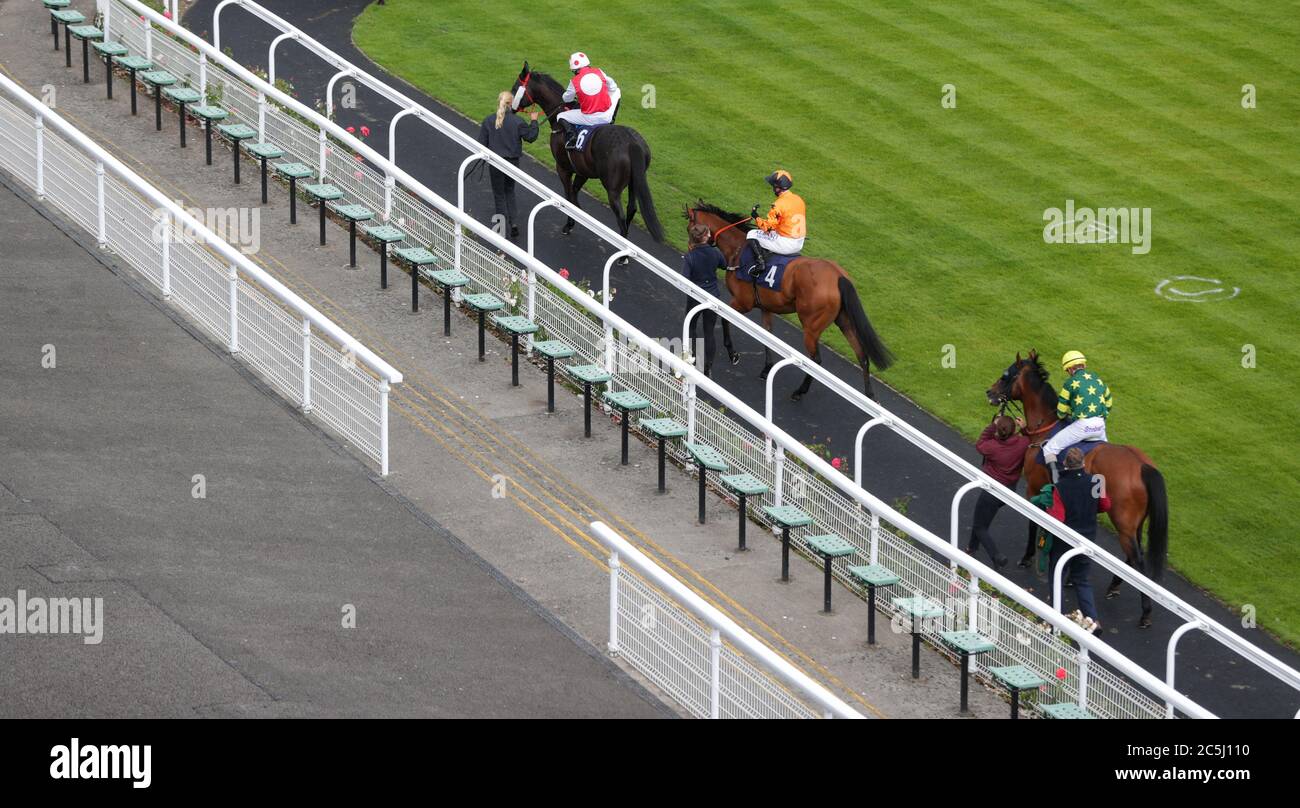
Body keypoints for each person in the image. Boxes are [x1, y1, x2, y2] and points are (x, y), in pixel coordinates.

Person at [1045, 447, 1109, 634]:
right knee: (1082, 580)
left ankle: (1056, 620)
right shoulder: (1096, 480)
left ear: (1065, 464)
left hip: (1064, 542)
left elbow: (1057, 519)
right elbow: (1105, 505)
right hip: (1087, 539)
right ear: (1083, 463)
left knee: (1056, 577)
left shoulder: (1060, 487)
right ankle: (1093, 620)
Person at [966, 414, 1029, 567]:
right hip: (1009, 491)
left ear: (998, 431)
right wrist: (1025, 429)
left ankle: (996, 556)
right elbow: (1030, 440)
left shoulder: (992, 447)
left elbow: (980, 444)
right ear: (1014, 430)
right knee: (982, 520)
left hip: (992, 492)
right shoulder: (1023, 443)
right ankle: (971, 548)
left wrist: (993, 425)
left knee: (980, 526)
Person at [1043, 350, 1112, 483]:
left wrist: (1062, 416)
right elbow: (1109, 400)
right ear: (1083, 365)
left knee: (1049, 448)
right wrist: (1103, 416)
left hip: (1082, 427)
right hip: (1100, 426)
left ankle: (1057, 484)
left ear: (1069, 369)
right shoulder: (1098, 379)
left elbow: (1061, 411)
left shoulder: (1069, 383)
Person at [478, 91, 540, 240]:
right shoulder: (517, 121)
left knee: (499, 195)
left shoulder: (488, 120)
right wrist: (534, 121)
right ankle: (513, 224)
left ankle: (500, 230)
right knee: (509, 192)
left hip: (495, 163)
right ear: (511, 103)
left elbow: (481, 144)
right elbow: (531, 137)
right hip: (512, 162)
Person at [681, 223, 729, 375]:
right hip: (712, 297)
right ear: (704, 236)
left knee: (691, 326)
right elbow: (724, 265)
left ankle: (692, 357)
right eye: (708, 234)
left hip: (695, 297)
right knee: (709, 331)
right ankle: (707, 367)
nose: (710, 235)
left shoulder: (690, 256)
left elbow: (685, 278)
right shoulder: (715, 253)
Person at [556, 52, 621, 149]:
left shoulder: (574, 81)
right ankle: (612, 120)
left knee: (560, 116)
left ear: (574, 70)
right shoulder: (599, 71)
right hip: (607, 115)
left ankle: (572, 137)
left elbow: (566, 99)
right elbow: (613, 87)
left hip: (590, 118)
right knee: (617, 91)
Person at [747, 170, 805, 277]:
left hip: (787, 243)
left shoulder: (778, 204)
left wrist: (756, 217)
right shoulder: (798, 199)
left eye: (773, 186)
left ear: (777, 187)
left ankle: (761, 264)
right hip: (799, 242)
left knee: (752, 233)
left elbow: (767, 228)